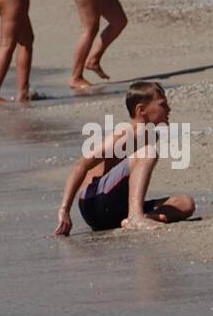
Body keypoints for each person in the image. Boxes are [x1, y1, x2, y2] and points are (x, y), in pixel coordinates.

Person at [54, 82, 195, 235]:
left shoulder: (152, 135)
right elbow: (80, 165)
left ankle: (135, 218)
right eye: (163, 105)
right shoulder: (124, 135)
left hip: (118, 208)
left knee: (185, 203)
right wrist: (64, 210)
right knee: (147, 152)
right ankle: (136, 217)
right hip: (94, 203)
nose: (169, 109)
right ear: (141, 110)